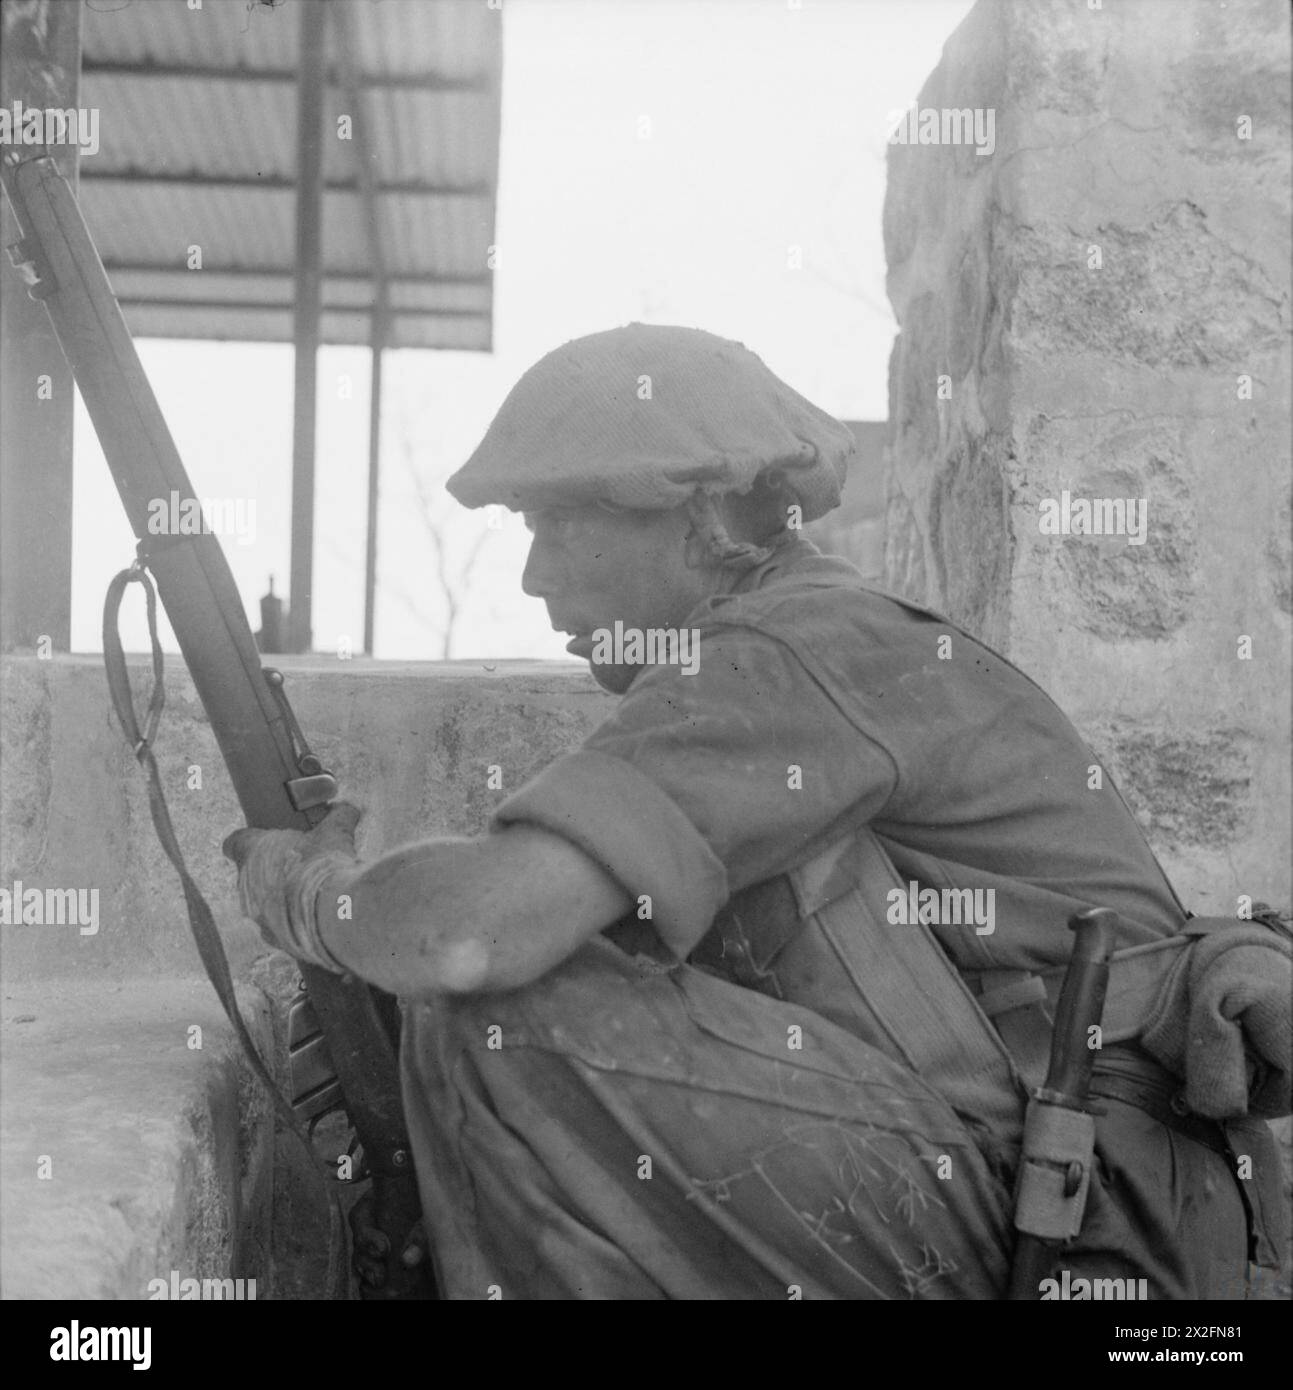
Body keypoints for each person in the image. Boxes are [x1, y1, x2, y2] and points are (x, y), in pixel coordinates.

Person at [225, 324, 1289, 1300]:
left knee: (501, 1018)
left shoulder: (786, 651)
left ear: (696, 514)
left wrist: (308, 891)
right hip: (1086, 1205)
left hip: (1086, 1233)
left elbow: (472, 935)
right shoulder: (797, 645)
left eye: (560, 523)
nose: (535, 575)